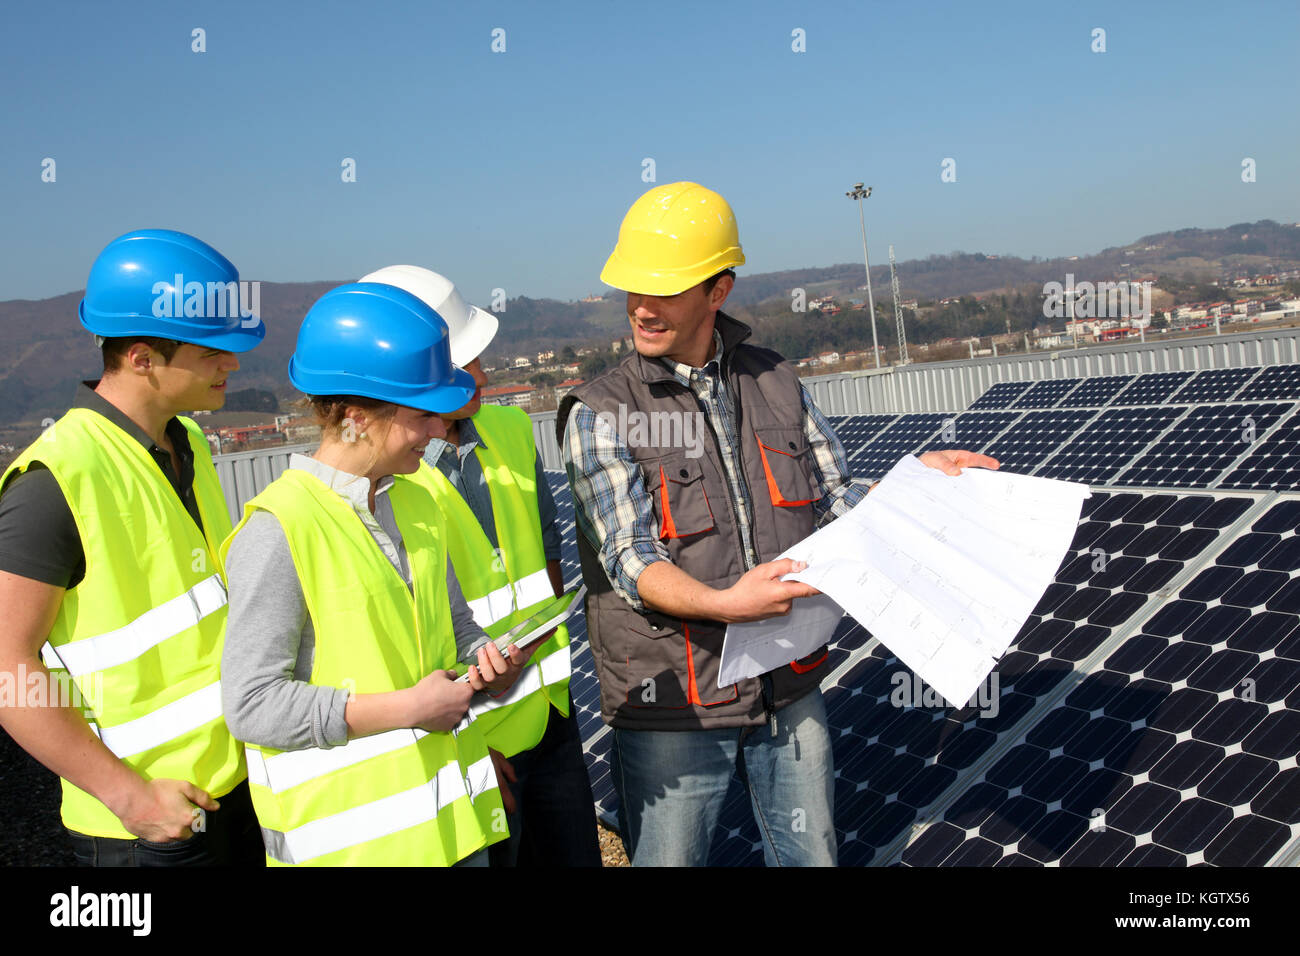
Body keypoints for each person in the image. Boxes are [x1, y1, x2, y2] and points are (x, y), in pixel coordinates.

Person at [559, 182, 999, 866]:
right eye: (631, 289)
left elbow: (834, 498)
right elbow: (630, 559)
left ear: (719, 290)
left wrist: (914, 484)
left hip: (786, 680)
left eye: (664, 289)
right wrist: (724, 604)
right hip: (677, 703)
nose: (641, 307)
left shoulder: (776, 380)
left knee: (810, 856)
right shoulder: (601, 410)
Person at [220, 282, 530, 866]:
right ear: (358, 418)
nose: (440, 430)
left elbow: (456, 630)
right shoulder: (277, 529)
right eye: (422, 415)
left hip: (453, 834)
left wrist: (487, 660)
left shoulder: (416, 503)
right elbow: (253, 704)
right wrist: (409, 708)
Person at [0, 228, 267, 866]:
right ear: (143, 358)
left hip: (232, 791)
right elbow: (8, 669)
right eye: (212, 351)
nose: (231, 364)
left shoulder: (189, 444)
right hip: (148, 827)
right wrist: (131, 798)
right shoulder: (56, 480)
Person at [360, 265, 601, 867]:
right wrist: (466, 743)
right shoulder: (384, 483)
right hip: (472, 734)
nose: (484, 377)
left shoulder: (512, 428)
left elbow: (547, 555)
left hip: (549, 710)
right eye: (465, 366)